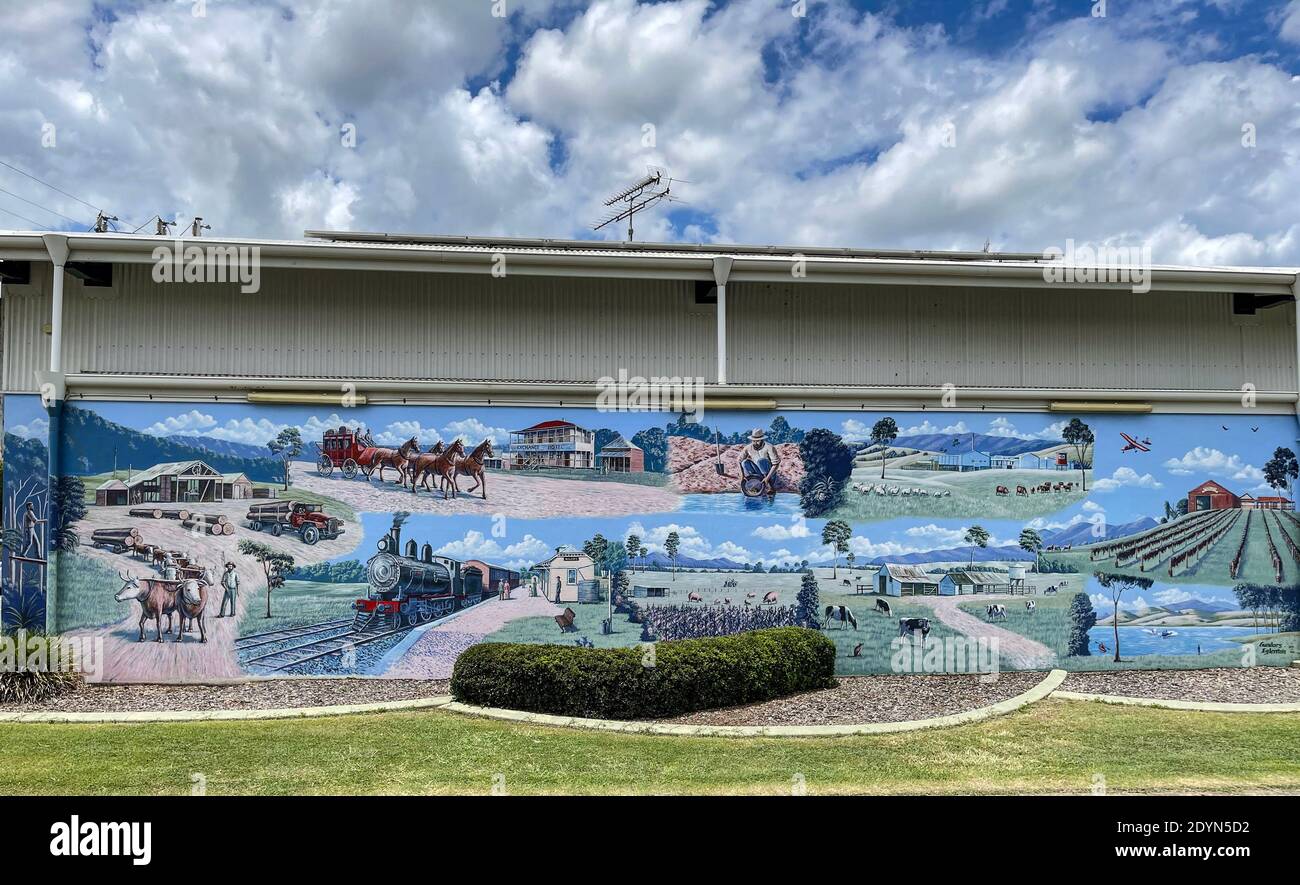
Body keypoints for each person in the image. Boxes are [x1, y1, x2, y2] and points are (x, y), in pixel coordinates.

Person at [739, 428, 781, 495]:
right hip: (758, 473)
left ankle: (770, 486)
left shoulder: (769, 447)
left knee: (761, 461)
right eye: (754, 441)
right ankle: (755, 483)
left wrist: (767, 478)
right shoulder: (748, 448)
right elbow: (739, 461)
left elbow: (776, 464)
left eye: (758, 441)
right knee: (745, 462)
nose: (755, 443)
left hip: (769, 474)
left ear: (762, 439)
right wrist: (742, 475)